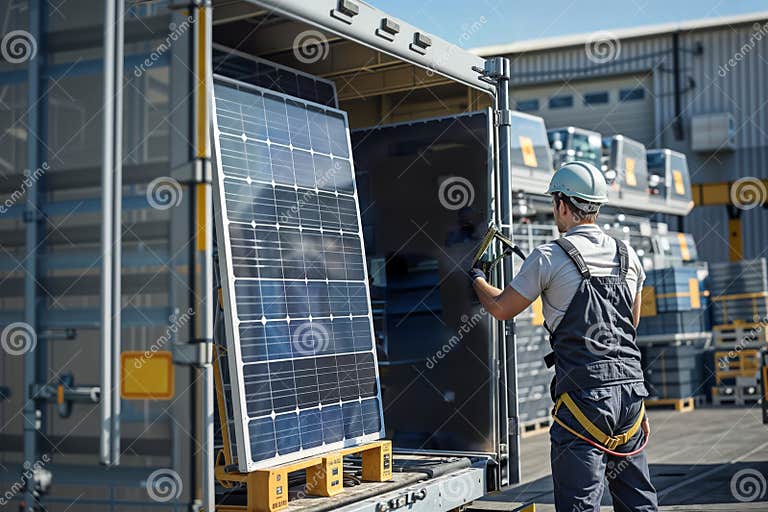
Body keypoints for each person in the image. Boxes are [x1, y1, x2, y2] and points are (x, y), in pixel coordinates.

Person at [469, 161, 658, 512]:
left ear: (563, 205)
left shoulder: (548, 256)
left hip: (585, 397)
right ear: (596, 207)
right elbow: (629, 326)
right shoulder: (629, 256)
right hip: (631, 395)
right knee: (638, 503)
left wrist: (478, 277)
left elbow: (500, 307)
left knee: (579, 504)